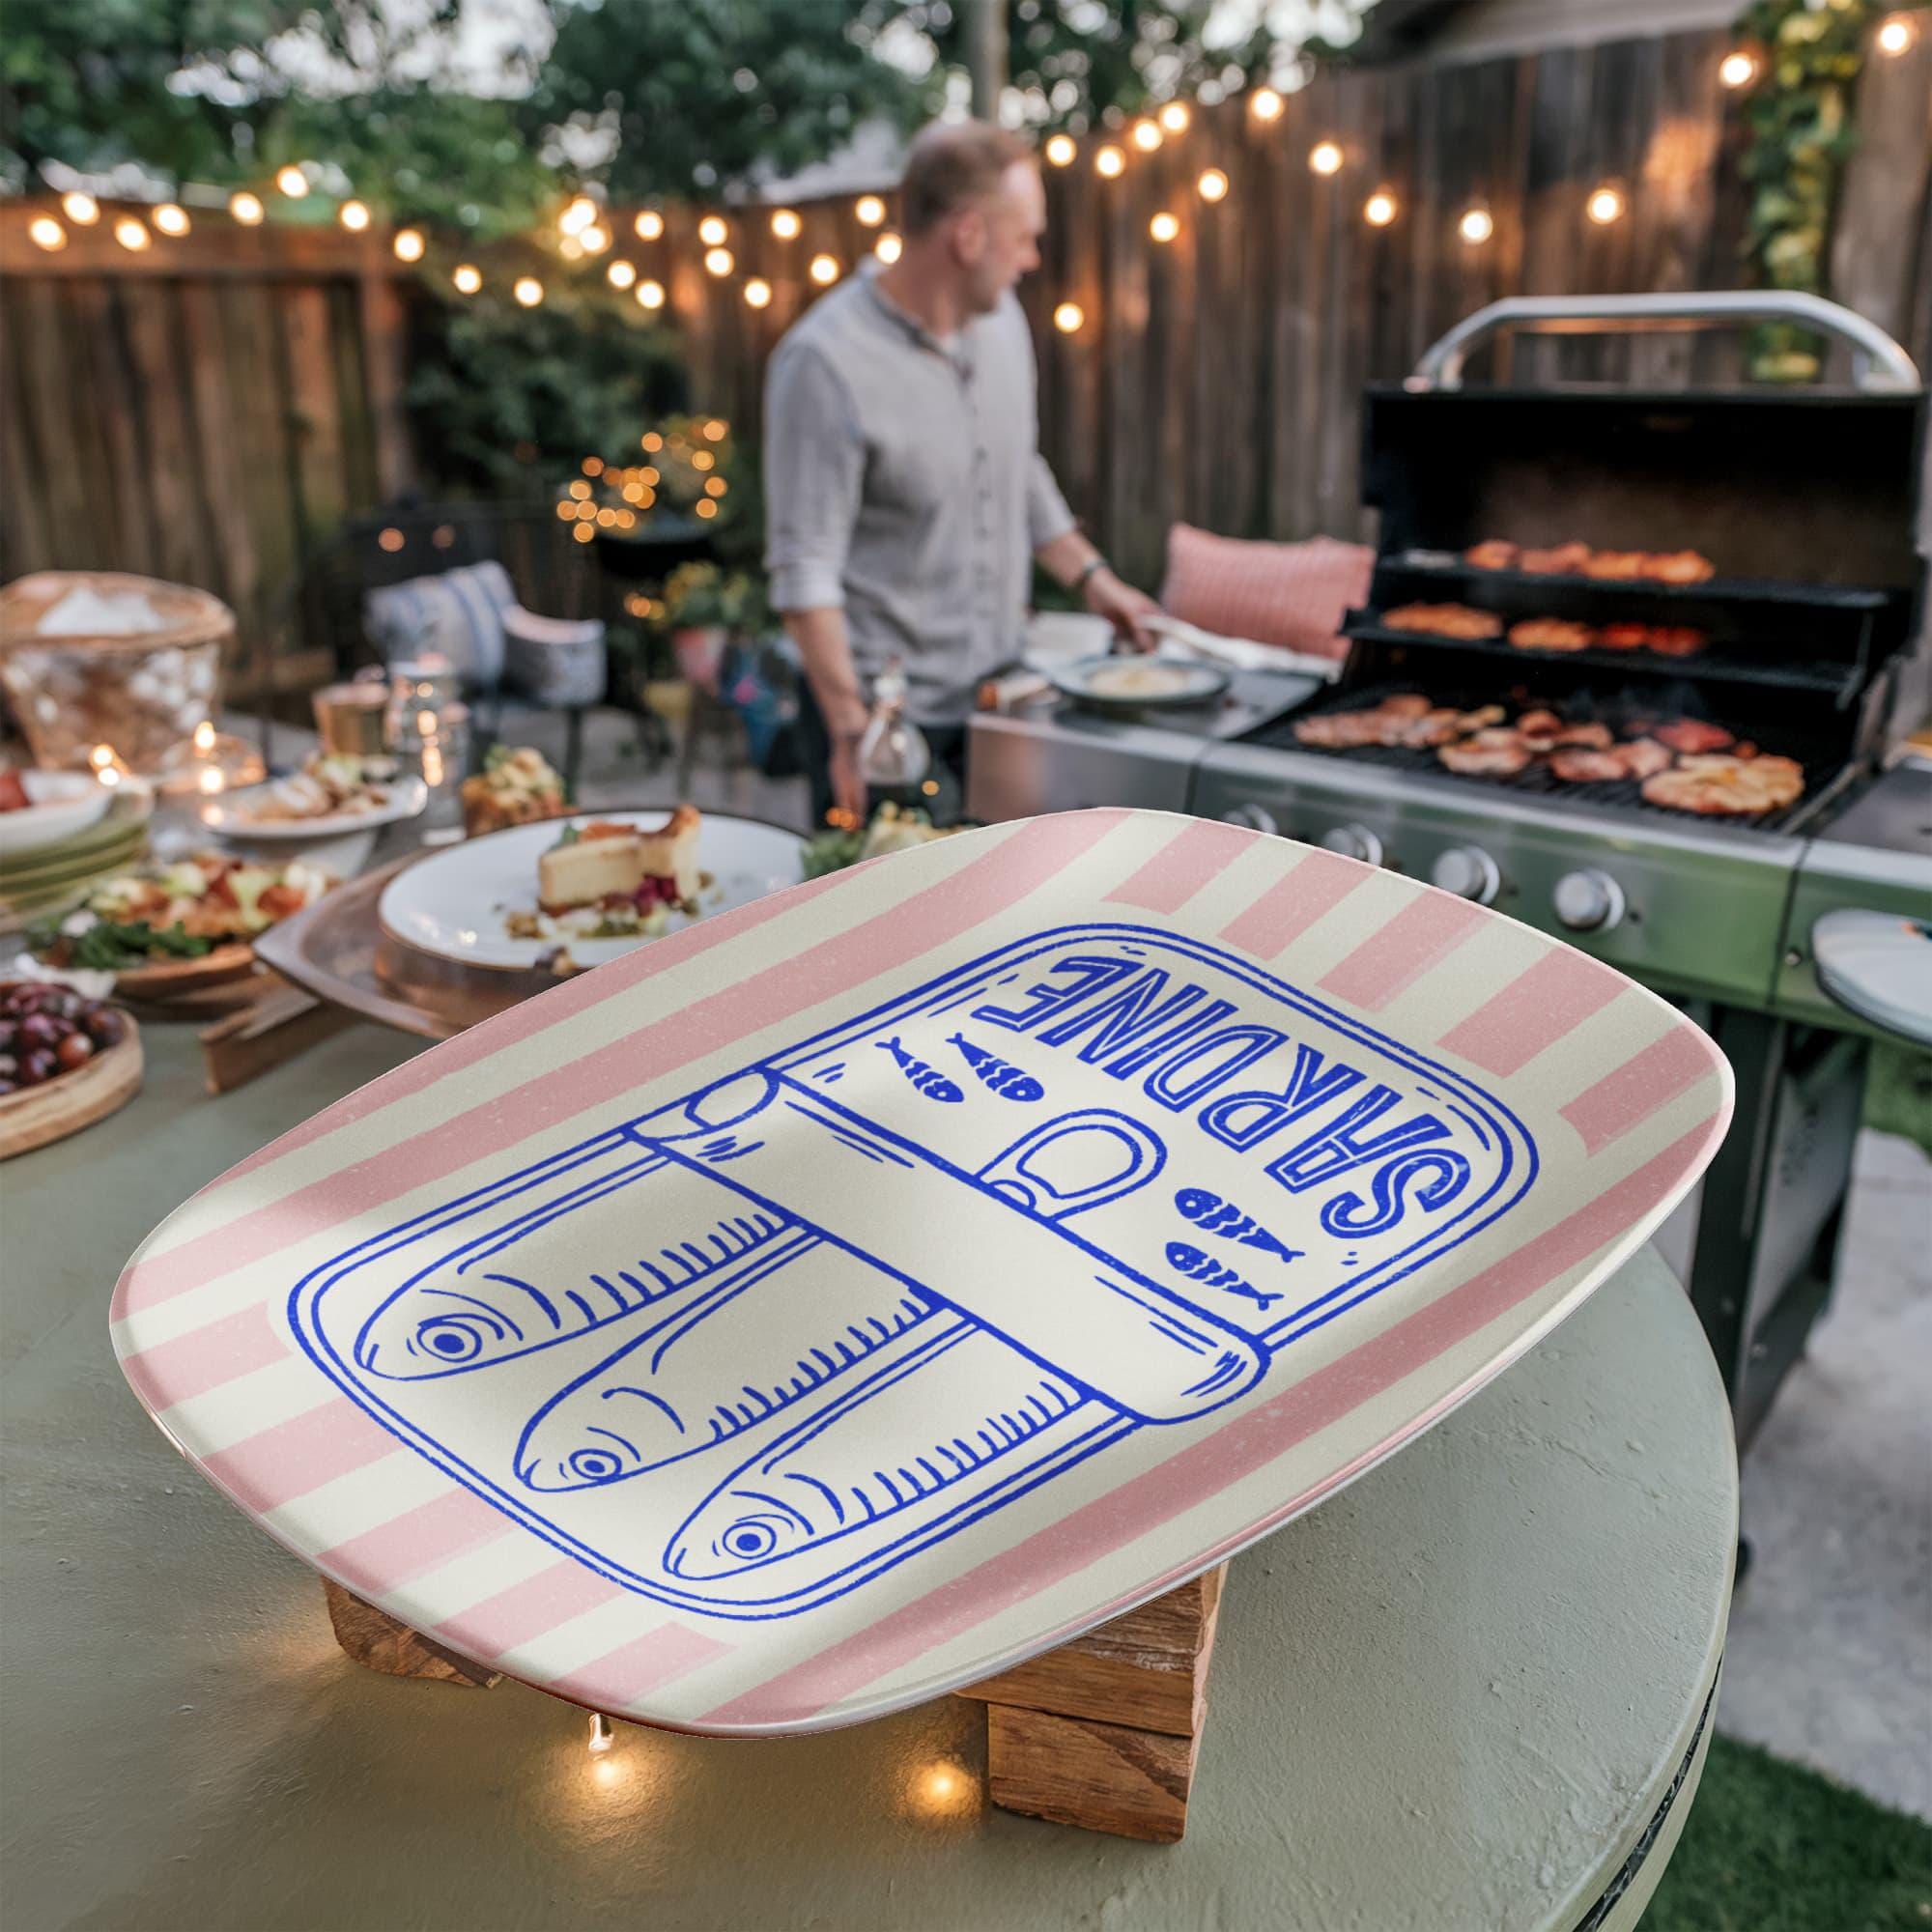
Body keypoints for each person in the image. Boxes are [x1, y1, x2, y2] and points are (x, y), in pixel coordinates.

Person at [763, 119, 1161, 826]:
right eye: (1024, 237)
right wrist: (853, 733)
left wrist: (1095, 580)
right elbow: (804, 573)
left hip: (998, 708)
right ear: (968, 234)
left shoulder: (1004, 322)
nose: (1033, 258)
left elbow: (1018, 464)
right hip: (885, 730)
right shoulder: (825, 364)